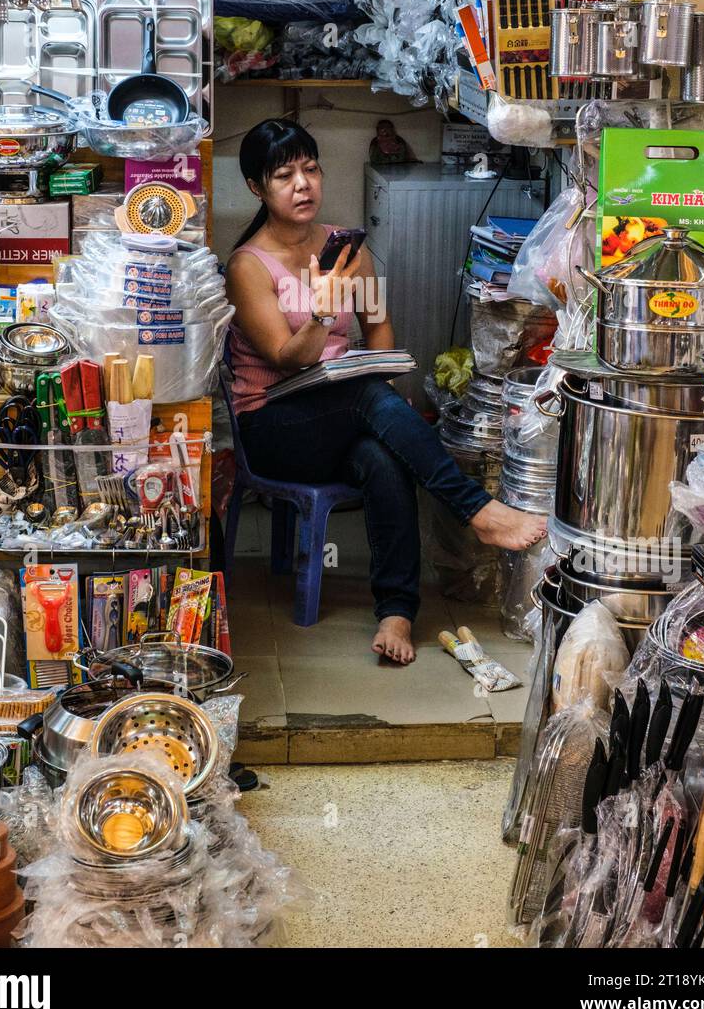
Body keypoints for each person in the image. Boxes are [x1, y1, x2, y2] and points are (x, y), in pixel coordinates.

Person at [225, 119, 546, 666]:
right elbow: (286, 358)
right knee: (370, 401)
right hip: (274, 424)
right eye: (284, 175)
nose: (303, 184)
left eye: (310, 169)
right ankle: (478, 511)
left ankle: (396, 610)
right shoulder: (247, 267)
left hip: (339, 411)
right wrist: (324, 310)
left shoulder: (345, 248)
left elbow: (377, 329)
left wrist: (374, 373)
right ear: (258, 188)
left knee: (381, 450)